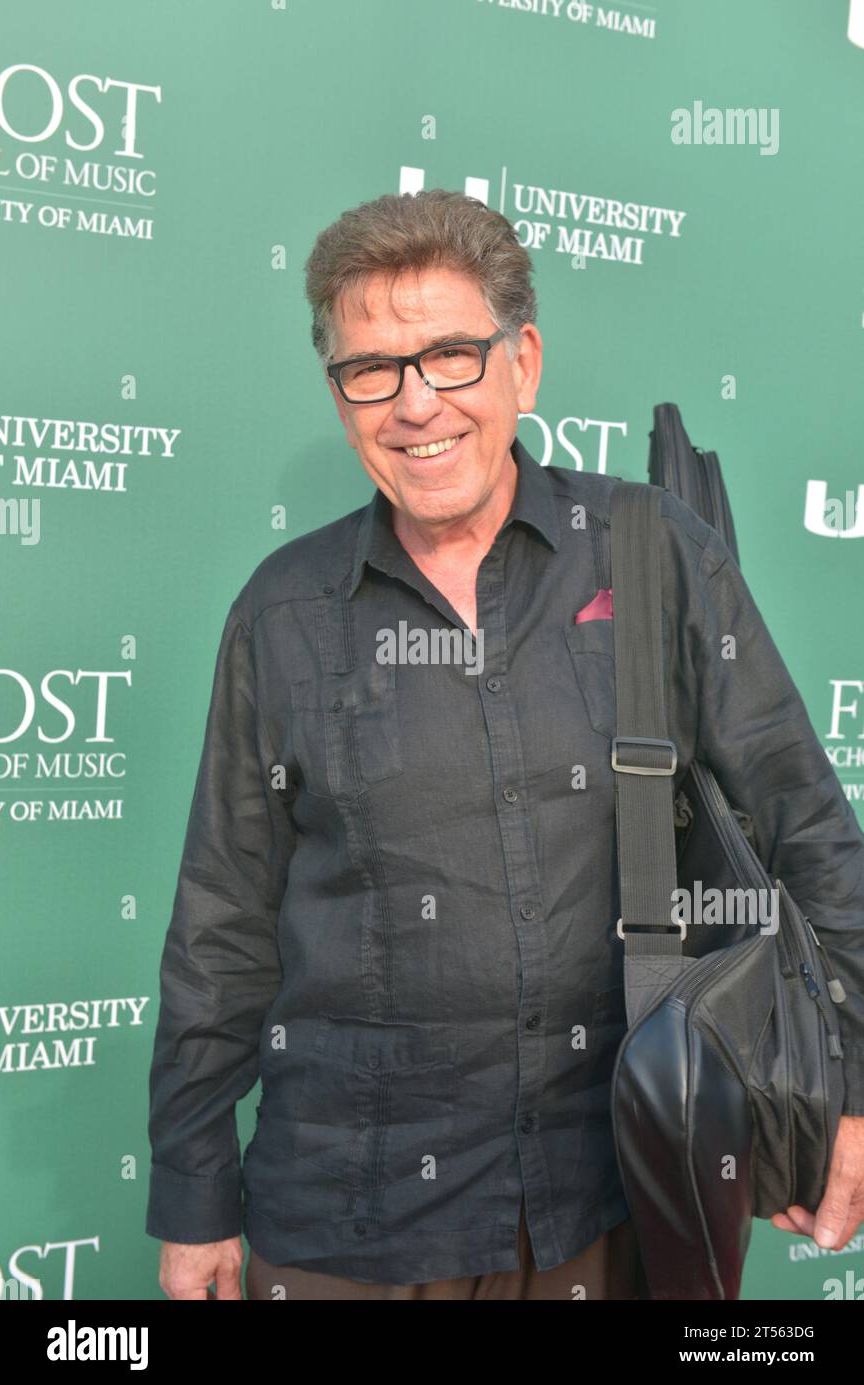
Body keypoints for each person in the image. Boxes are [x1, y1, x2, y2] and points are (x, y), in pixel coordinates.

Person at [146, 189, 864, 1301]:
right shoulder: (281, 613)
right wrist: (193, 1197)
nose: (415, 403)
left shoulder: (651, 551)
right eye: (371, 370)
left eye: (450, 355)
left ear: (522, 362)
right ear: (340, 399)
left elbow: (808, 826)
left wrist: (853, 1090)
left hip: (612, 1204)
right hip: (349, 1226)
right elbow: (222, 926)